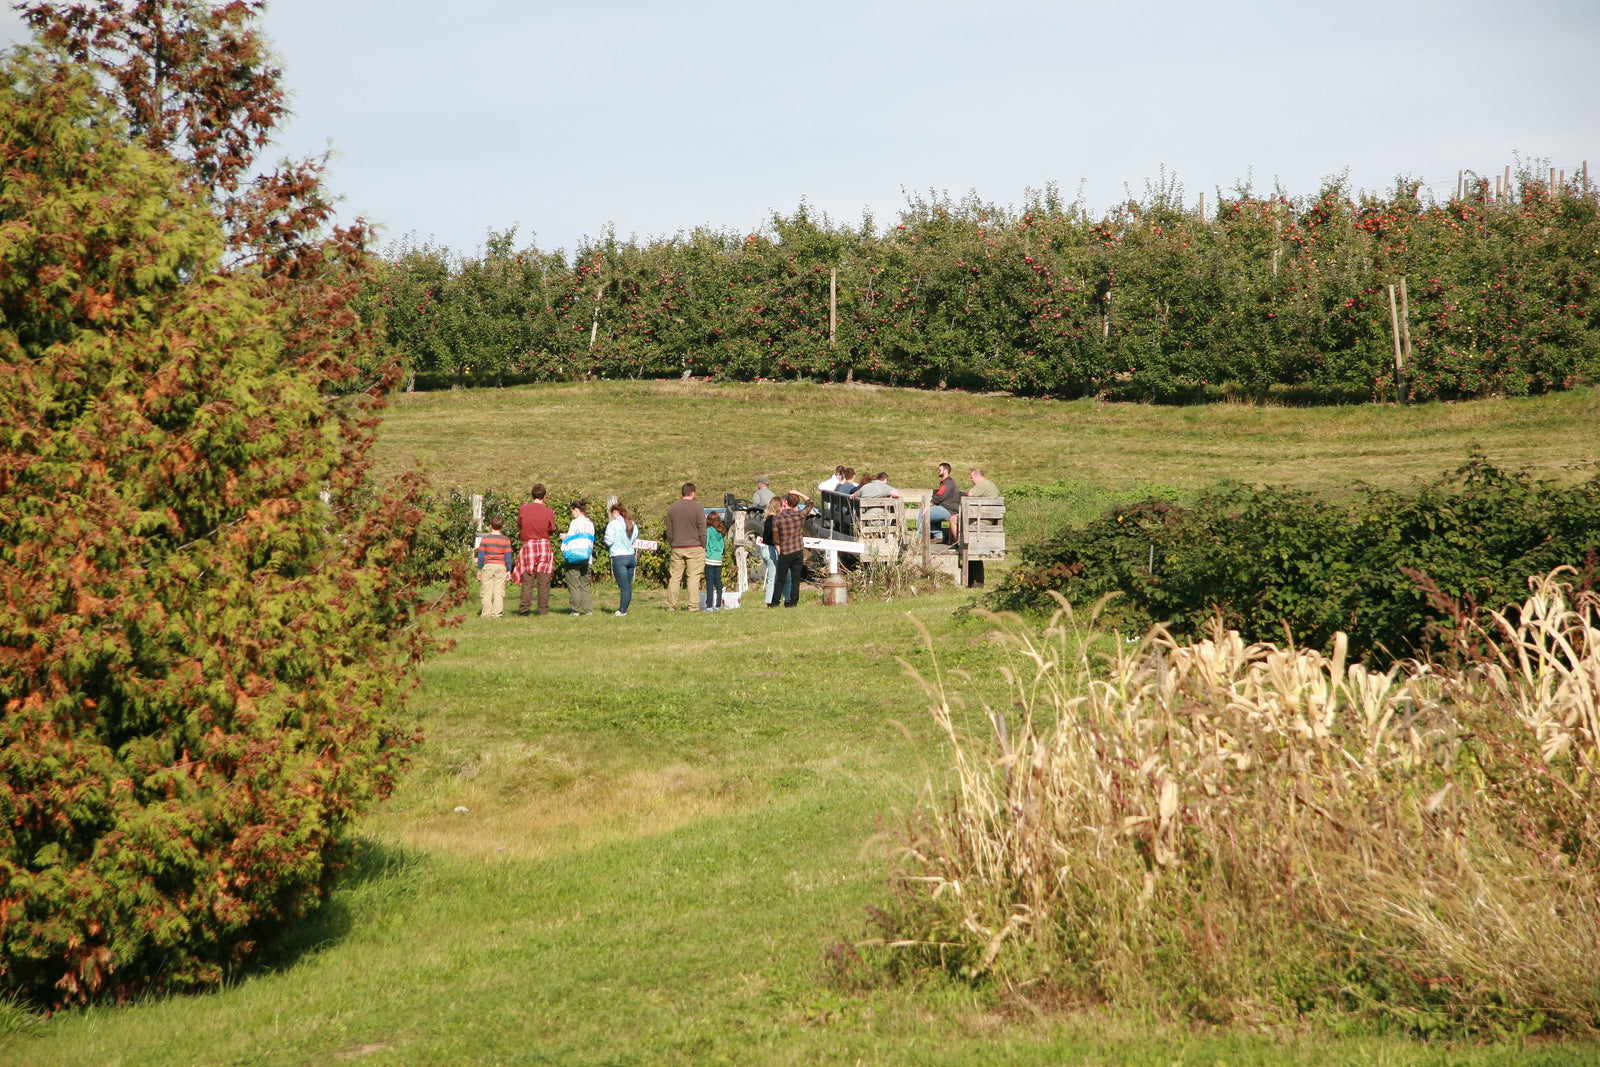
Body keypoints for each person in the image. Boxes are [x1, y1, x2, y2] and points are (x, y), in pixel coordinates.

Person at [514, 484, 558, 615]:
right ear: (544, 497)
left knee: (528, 581)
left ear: (532, 495)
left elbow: (520, 525)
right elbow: (551, 529)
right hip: (544, 545)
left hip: (529, 545)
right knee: (544, 582)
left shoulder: (523, 509)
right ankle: (543, 610)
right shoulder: (549, 511)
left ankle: (524, 609)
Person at [664, 482, 706, 611]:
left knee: (675, 577)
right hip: (695, 546)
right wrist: (703, 544)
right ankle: (693, 605)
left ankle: (671, 605)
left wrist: (673, 543)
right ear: (693, 493)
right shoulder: (697, 508)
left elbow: (669, 530)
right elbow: (702, 529)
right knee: (693, 577)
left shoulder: (672, 508)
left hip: (677, 546)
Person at [768, 490, 812, 608]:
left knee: (780, 579)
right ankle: (793, 602)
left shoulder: (777, 518)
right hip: (797, 550)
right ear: (796, 504)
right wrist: (799, 493)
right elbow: (810, 503)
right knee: (795, 579)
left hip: (785, 551)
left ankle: (775, 602)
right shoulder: (799, 515)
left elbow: (775, 536)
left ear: (785, 502)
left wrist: (778, 547)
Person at [560, 499, 596, 616]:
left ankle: (575, 610)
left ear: (576, 510)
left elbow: (569, 539)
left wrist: (563, 540)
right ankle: (588, 609)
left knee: (574, 584)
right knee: (585, 585)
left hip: (574, 557)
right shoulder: (590, 524)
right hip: (587, 557)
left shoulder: (575, 523)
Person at [475, 516, 514, 618]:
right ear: (501, 527)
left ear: (490, 526)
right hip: (501, 567)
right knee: (499, 591)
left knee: (486, 591)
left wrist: (479, 569)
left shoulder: (485, 539)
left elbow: (481, 556)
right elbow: (508, 557)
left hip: (488, 566)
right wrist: (508, 570)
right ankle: (496, 613)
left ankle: (486, 613)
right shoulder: (506, 540)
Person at [605, 502, 639, 616]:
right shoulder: (632, 524)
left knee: (623, 587)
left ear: (615, 512)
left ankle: (622, 611)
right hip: (631, 556)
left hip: (619, 557)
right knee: (628, 586)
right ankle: (624, 608)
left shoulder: (613, 524)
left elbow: (609, 541)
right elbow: (634, 539)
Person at [928, 462, 962, 543]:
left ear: (946, 471)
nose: (938, 471)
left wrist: (929, 504)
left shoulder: (947, 483)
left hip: (948, 509)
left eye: (940, 470)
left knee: (923, 513)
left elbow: (940, 496)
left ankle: (920, 537)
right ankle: (939, 535)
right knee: (929, 515)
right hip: (947, 508)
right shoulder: (946, 482)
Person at [757, 496, 782, 606]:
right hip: (772, 549)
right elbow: (773, 537)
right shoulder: (773, 519)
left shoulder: (767, 519)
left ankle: (771, 600)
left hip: (766, 549)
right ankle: (770, 601)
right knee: (773, 577)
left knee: (772, 576)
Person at [704, 512, 727, 610]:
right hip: (718, 559)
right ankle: (718, 604)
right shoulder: (721, 531)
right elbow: (723, 546)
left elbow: (706, 544)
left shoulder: (709, 530)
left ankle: (709, 605)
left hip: (710, 558)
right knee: (718, 582)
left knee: (709, 583)